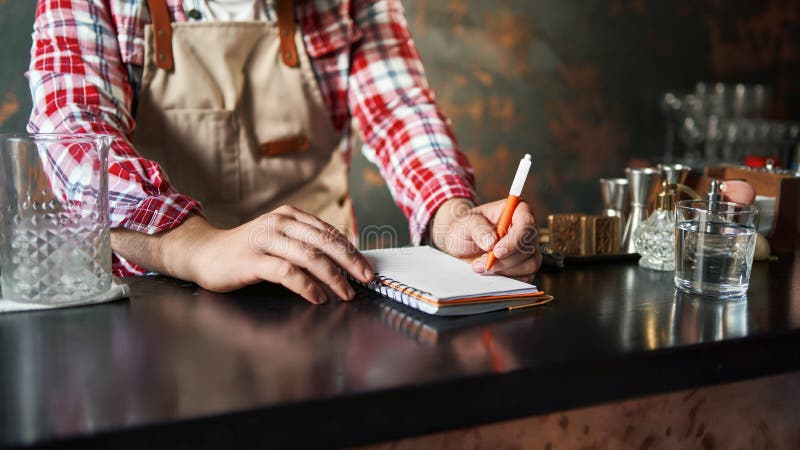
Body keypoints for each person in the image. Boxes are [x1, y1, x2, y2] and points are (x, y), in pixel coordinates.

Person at [27, 0, 542, 304]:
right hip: (156, 310)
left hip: (323, 300)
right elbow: (73, 135)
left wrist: (451, 218)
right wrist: (194, 247)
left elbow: (401, 112)